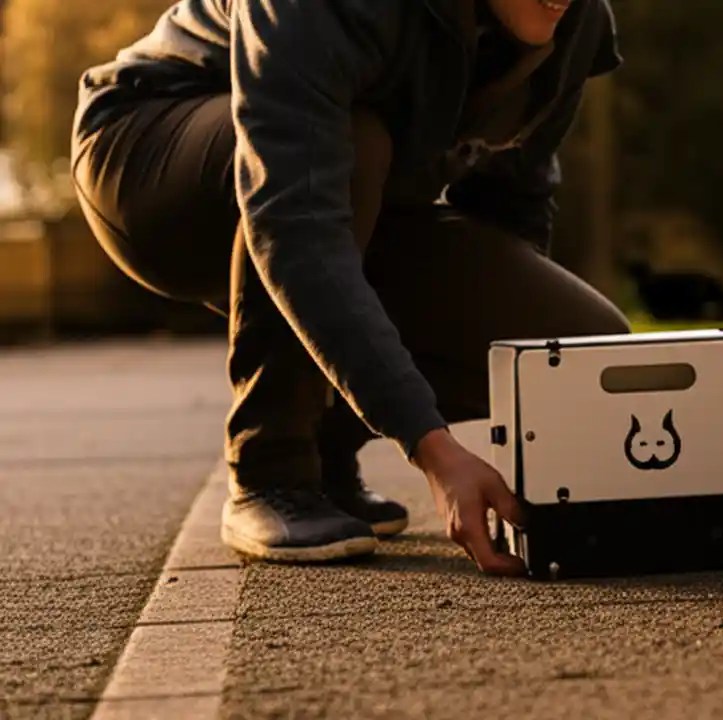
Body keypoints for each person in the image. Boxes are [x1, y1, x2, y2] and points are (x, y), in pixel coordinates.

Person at [70, 0, 628, 574]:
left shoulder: (573, 21)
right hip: (151, 158)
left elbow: (512, 212)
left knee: (570, 343)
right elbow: (296, 226)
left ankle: (325, 439)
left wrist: (535, 424)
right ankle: (272, 467)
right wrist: (432, 449)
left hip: (351, 187)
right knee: (355, 144)